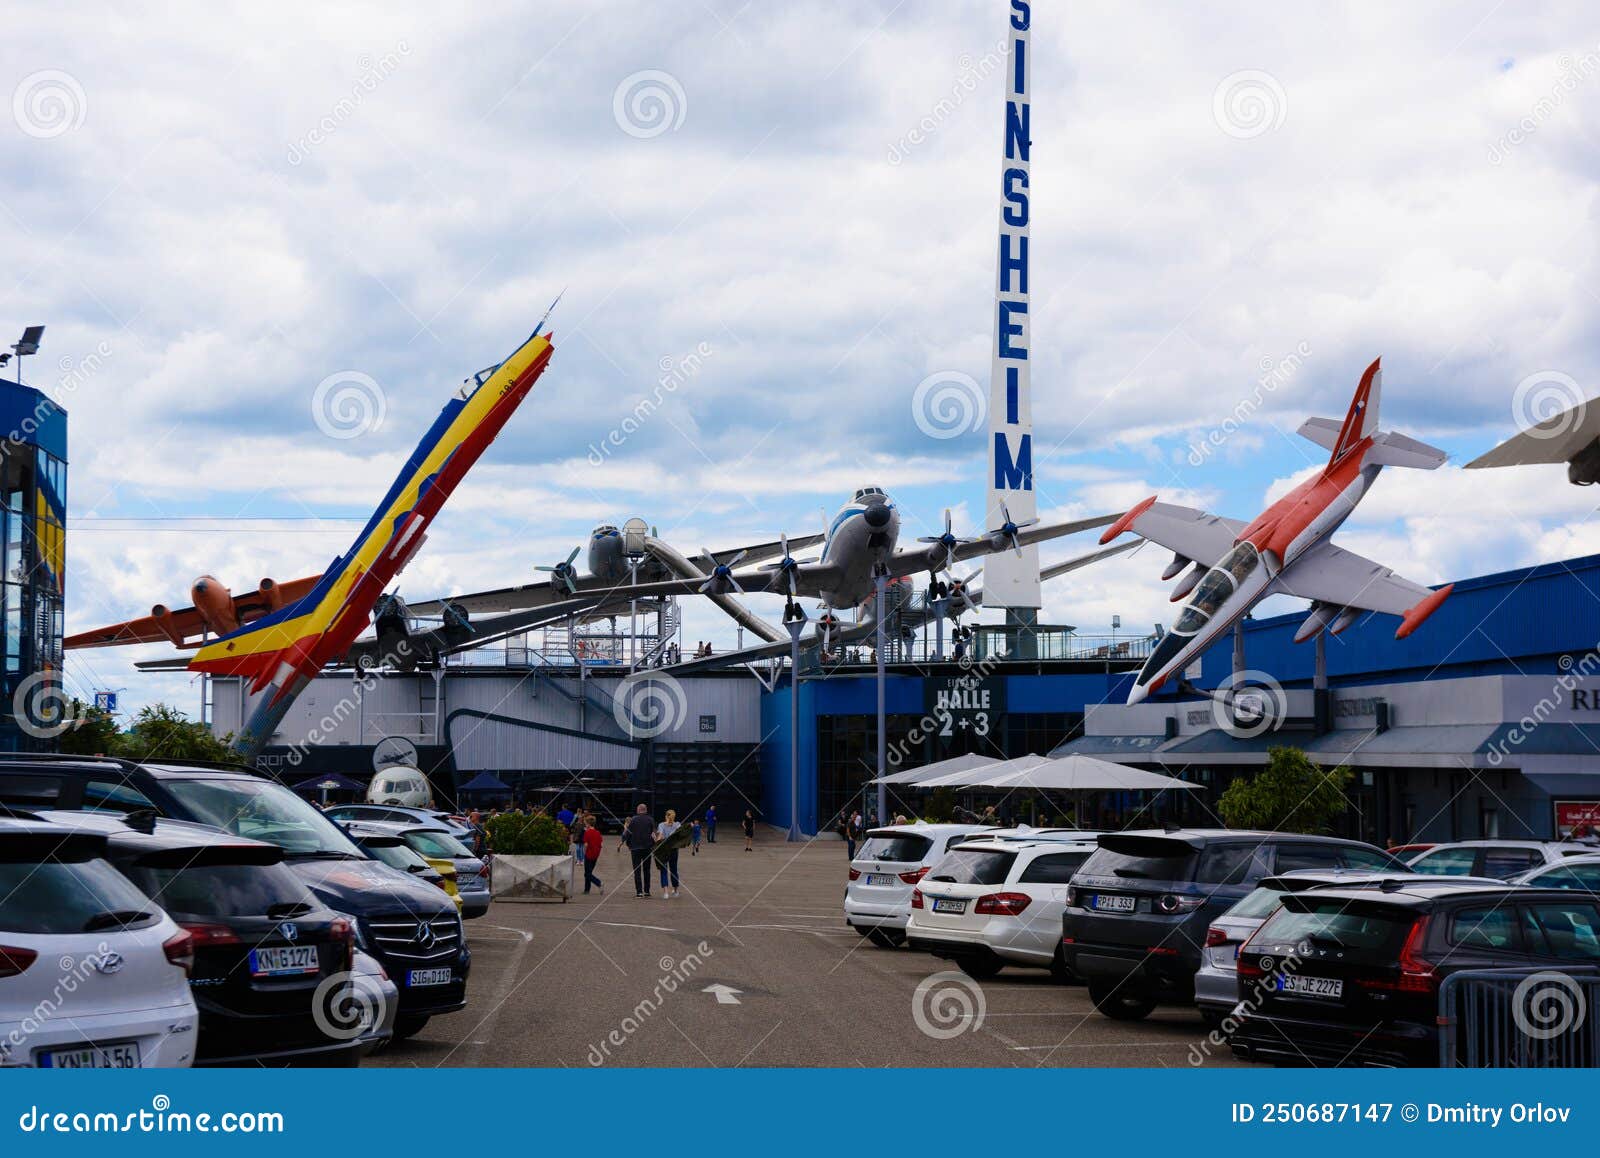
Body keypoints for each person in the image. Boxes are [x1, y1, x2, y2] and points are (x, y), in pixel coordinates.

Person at [620, 803, 656, 898]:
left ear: (638, 810)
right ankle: (647, 891)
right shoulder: (650, 820)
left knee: (637, 870)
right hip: (647, 848)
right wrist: (653, 845)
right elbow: (653, 834)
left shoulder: (633, 820)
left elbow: (627, 834)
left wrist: (624, 840)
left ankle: (639, 892)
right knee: (647, 870)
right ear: (645, 810)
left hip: (635, 848)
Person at [655, 809, 682, 899]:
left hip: (664, 851)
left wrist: (656, 841)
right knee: (674, 870)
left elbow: (660, 837)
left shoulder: (661, 825)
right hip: (674, 850)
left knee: (664, 870)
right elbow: (680, 837)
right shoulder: (677, 825)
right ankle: (676, 891)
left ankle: (666, 893)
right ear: (674, 817)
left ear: (666, 816)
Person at [581, 815, 604, 894]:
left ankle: (599, 883)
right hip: (596, 855)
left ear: (588, 824)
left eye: (585, 823)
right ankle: (587, 890)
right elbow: (600, 843)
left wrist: (584, 853)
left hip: (589, 854)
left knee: (587, 874)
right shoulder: (598, 833)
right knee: (589, 872)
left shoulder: (587, 833)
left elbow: (586, 845)